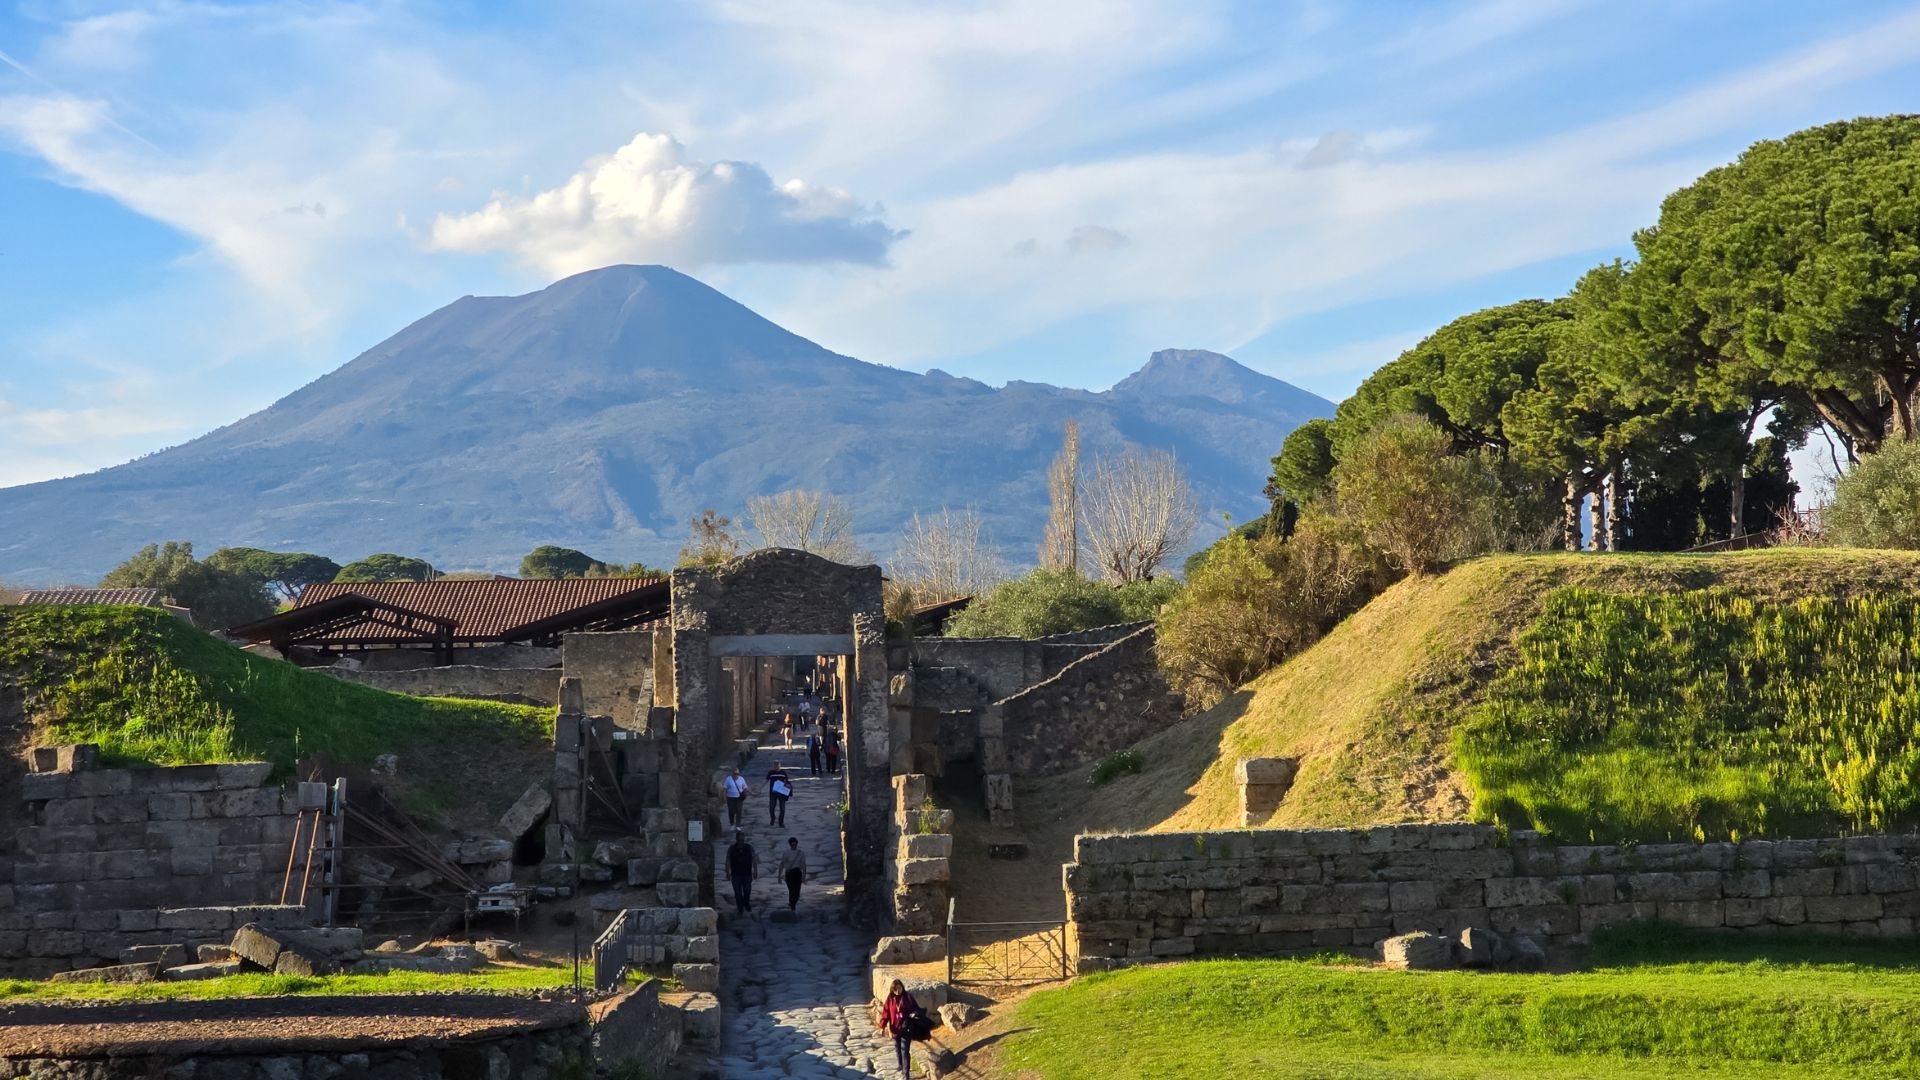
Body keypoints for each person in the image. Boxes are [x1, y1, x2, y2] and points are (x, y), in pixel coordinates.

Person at [880, 977, 921, 1077]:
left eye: (899, 988)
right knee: (898, 1048)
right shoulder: (890, 999)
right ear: (892, 989)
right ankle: (901, 1066)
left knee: (905, 1050)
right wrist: (883, 1027)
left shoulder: (908, 997)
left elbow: (916, 1009)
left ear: (902, 987)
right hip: (894, 1029)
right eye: (895, 989)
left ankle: (906, 1074)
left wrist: (913, 1014)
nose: (898, 991)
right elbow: (886, 1013)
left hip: (906, 1028)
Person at [724, 829, 757, 917]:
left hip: (747, 874)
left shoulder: (749, 847)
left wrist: (755, 870)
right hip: (736, 875)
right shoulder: (732, 848)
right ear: (736, 840)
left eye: (742, 840)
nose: (741, 842)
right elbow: (727, 860)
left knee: (747, 891)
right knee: (737, 893)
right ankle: (740, 908)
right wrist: (727, 872)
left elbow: (754, 859)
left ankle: (746, 903)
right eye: (739, 840)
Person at [776, 835, 808, 912]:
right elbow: (782, 864)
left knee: (797, 892)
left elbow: (803, 864)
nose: (793, 845)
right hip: (789, 873)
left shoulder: (801, 853)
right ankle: (792, 904)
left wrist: (804, 875)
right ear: (790, 844)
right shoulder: (786, 853)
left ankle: (793, 903)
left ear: (797, 844)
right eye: (792, 844)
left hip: (797, 873)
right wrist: (779, 876)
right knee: (792, 890)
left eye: (795, 844)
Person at [767, 762, 792, 826]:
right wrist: (759, 788)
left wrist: (788, 790)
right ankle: (773, 818)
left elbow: (787, 783)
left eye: (778, 766)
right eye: (775, 766)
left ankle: (781, 822)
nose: (776, 767)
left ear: (780, 766)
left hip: (781, 793)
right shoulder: (771, 773)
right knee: (771, 808)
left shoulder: (783, 773)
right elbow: (766, 780)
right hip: (773, 793)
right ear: (773, 766)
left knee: (782, 809)